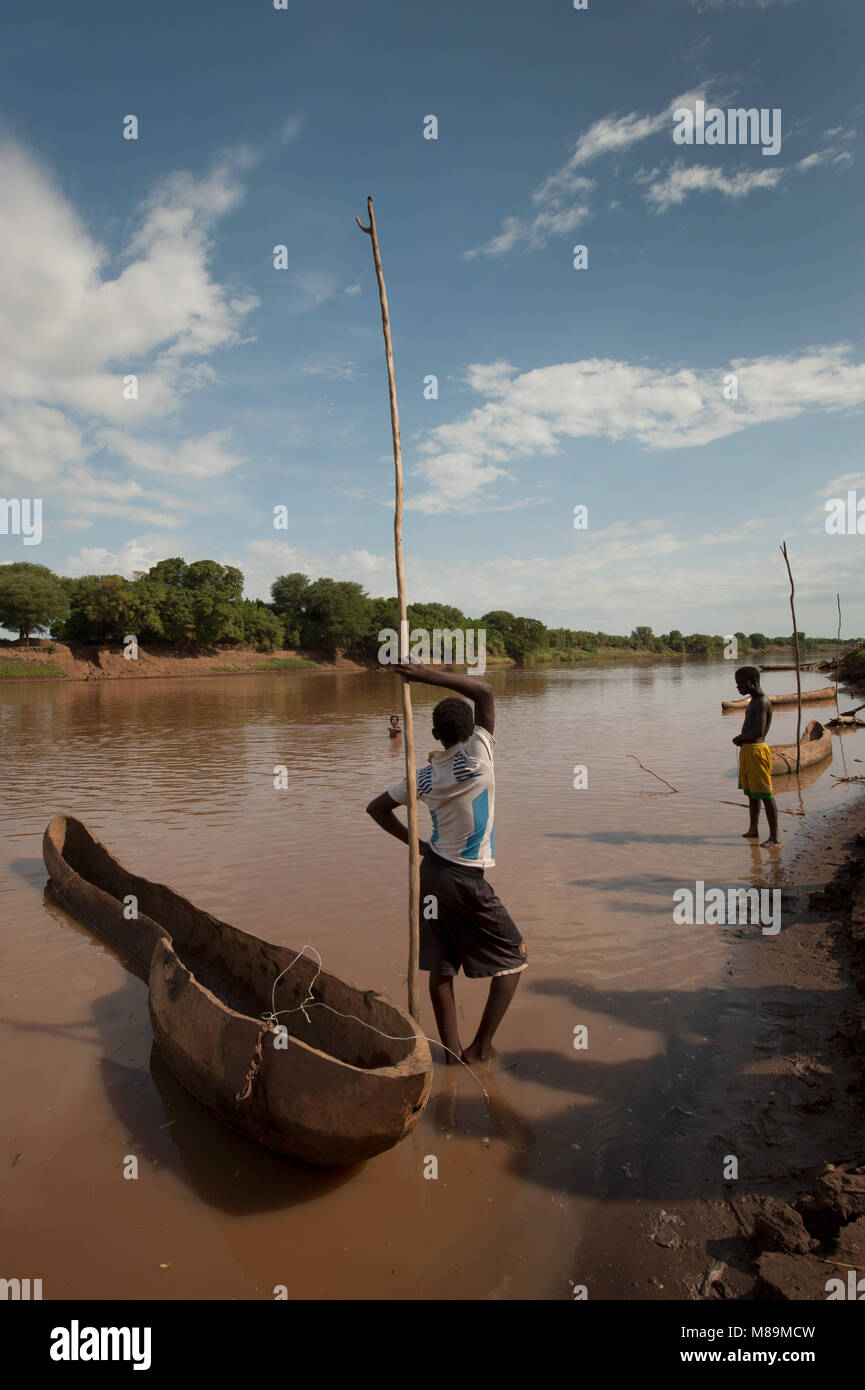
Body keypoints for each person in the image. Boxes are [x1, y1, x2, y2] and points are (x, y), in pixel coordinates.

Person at [366, 664, 527, 1064]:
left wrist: (418, 845)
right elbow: (485, 692)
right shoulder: (479, 755)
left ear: (436, 735)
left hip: (433, 874)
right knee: (514, 959)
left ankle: (452, 1055)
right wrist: (423, 674)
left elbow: (377, 808)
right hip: (464, 879)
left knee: (441, 966)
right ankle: (480, 1048)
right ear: (472, 730)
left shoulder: (423, 777)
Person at [732, 666, 779, 845]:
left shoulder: (761, 702)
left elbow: (758, 730)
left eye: (741, 683)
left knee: (766, 794)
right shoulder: (753, 701)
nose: (738, 687)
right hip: (748, 751)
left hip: (757, 751)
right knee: (752, 793)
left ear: (753, 682)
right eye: (737, 684)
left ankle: (775, 837)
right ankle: (753, 829)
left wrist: (739, 738)